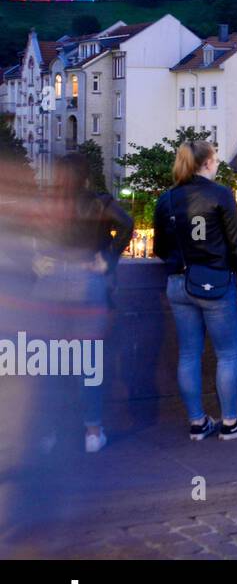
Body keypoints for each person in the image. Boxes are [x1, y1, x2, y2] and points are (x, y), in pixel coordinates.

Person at [153, 139, 237, 440]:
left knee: (188, 355)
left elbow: (160, 247)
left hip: (178, 284)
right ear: (208, 163)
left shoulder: (167, 199)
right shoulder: (221, 195)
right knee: (227, 355)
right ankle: (230, 423)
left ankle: (197, 423)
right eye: (216, 159)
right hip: (216, 285)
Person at [33, 154, 133, 453]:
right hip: (87, 282)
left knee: (50, 364)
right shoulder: (99, 202)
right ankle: (92, 432)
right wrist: (107, 259)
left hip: (50, 286)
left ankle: (48, 434)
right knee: (89, 361)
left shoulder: (47, 203)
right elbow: (126, 224)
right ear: (86, 176)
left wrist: (38, 261)